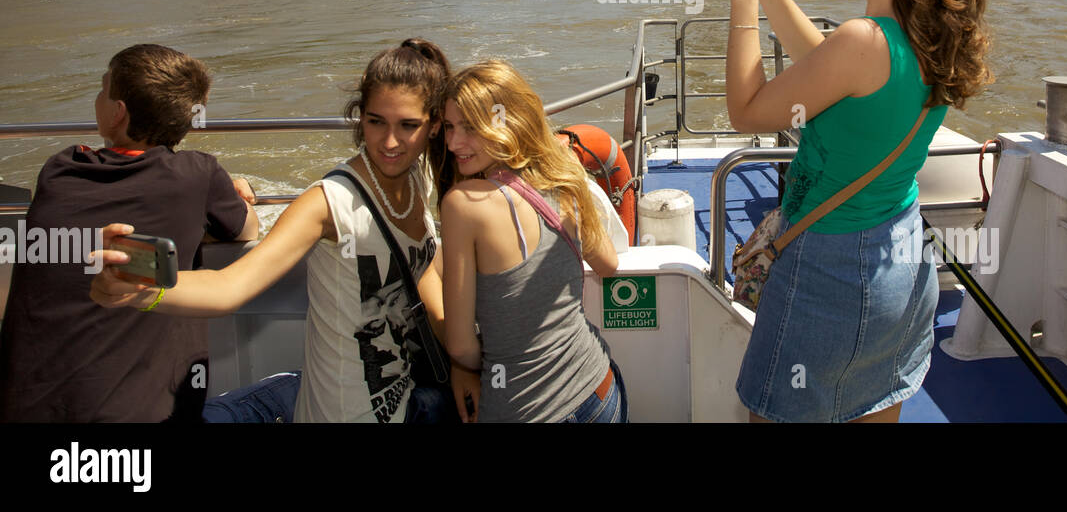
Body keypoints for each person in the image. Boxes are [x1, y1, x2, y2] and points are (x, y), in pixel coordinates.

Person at [720, 0, 992, 423]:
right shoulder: (922, 34)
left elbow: (745, 110)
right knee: (873, 406)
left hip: (832, 271)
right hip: (899, 261)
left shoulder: (863, 41)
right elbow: (823, 62)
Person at [90, 38, 459, 423]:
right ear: (359, 116)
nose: (389, 142)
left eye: (408, 126)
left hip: (409, 397)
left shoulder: (420, 179)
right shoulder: (327, 203)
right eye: (375, 121)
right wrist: (144, 291)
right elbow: (230, 288)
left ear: (434, 126)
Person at [0, 44, 260, 422]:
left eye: (103, 89)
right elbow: (245, 228)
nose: (97, 97)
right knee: (284, 390)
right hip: (136, 423)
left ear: (117, 112)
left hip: (21, 409)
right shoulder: (196, 175)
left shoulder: (59, 169)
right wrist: (237, 189)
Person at [439, 60, 625, 422]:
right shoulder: (563, 178)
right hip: (600, 391)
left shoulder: (463, 205)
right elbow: (608, 264)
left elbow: (461, 346)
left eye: (470, 127)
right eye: (448, 126)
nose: (453, 142)